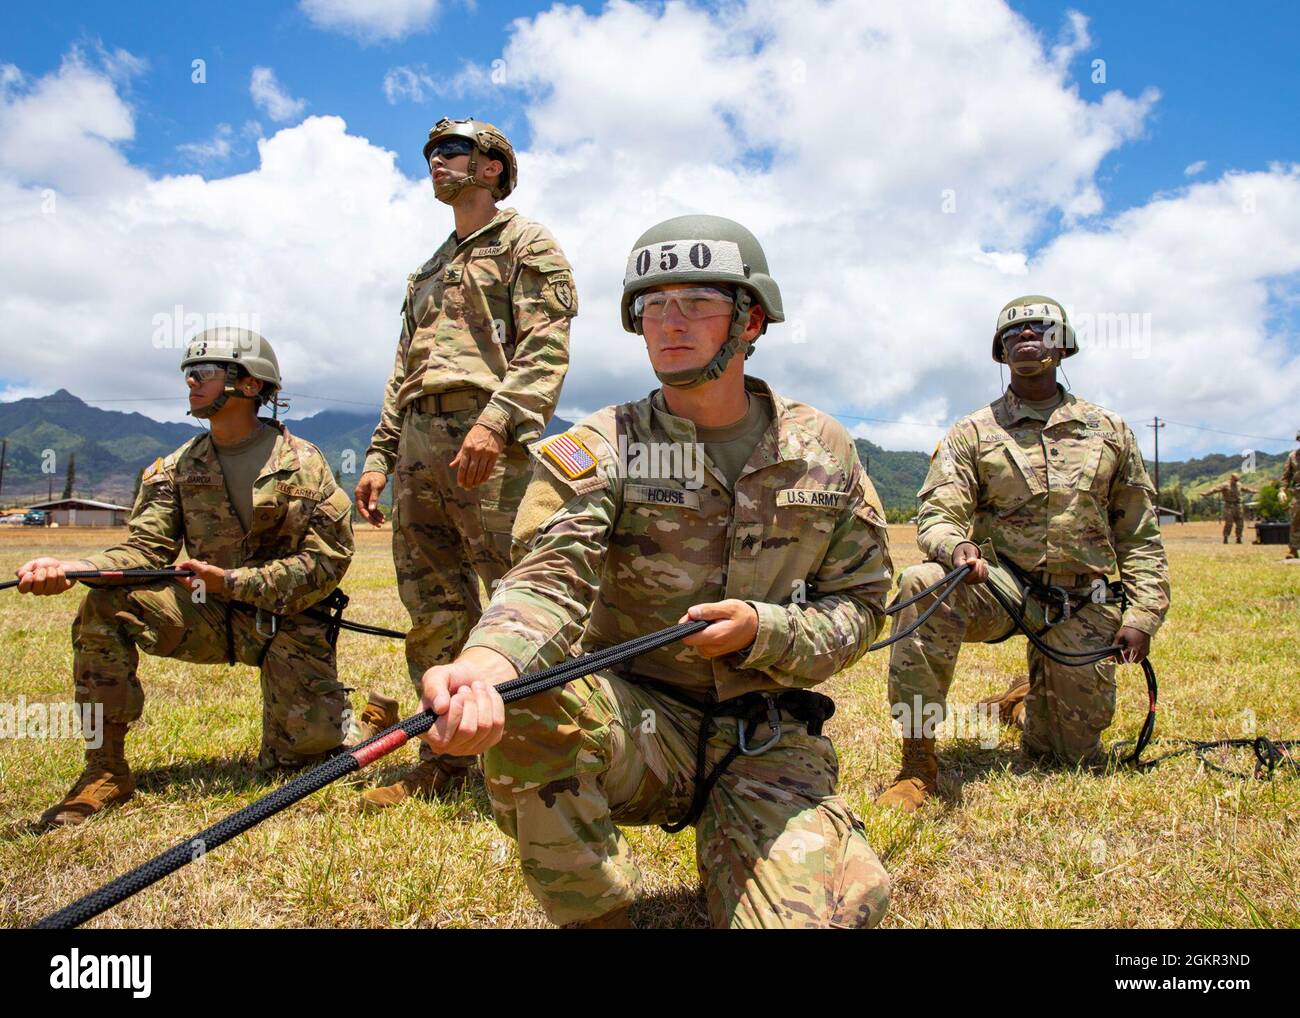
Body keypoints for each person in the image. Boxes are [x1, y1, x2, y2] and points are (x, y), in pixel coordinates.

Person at [406, 215, 894, 928]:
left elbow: (862, 604)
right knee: (535, 700)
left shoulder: (822, 446)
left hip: (767, 736)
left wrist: (767, 630)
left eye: (696, 301)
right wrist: (485, 663)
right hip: (638, 723)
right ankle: (600, 919)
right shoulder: (604, 442)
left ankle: (780, 846)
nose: (670, 322)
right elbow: (550, 571)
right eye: (652, 305)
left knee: (829, 916)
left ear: (750, 318)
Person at [14, 329, 354, 826]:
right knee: (106, 606)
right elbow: (143, 549)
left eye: (206, 372)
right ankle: (104, 769)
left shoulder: (305, 465)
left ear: (251, 385)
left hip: (289, 623)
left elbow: (327, 563)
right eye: (188, 373)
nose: (191, 381)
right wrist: (79, 569)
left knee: (298, 767)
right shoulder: (174, 468)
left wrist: (232, 581)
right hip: (210, 615)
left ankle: (362, 720)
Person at [351, 117, 577, 809]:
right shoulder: (426, 270)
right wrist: (379, 455)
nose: (436, 162)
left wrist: (497, 421)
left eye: (451, 151)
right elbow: (401, 371)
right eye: (430, 154)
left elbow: (545, 344)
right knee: (434, 608)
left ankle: (546, 756)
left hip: (488, 438)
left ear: (492, 168)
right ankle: (444, 759)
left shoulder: (526, 244)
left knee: (518, 599)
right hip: (419, 439)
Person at [878, 295, 1171, 812]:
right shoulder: (973, 432)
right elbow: (937, 514)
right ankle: (918, 763)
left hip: (1084, 598)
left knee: (1067, 757)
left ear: (1063, 345)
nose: (1026, 337)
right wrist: (956, 547)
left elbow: (1140, 533)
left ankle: (1021, 702)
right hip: (1002, 586)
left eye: (1040, 329)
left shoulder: (1110, 430)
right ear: (1000, 352)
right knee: (922, 583)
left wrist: (1143, 614)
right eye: (1013, 333)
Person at [1206, 474, 1256, 544]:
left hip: (1238, 506)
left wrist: (1254, 491)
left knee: (1240, 523)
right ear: (1232, 478)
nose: (1236, 482)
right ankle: (1226, 538)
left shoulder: (1239, 484)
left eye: (1237, 480)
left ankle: (1239, 538)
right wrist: (1206, 493)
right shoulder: (1225, 485)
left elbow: (1246, 489)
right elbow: (1215, 489)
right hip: (1229, 506)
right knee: (1229, 523)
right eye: (1235, 480)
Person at [1281, 431, 1300, 560]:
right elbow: (1286, 476)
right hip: (1298, 493)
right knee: (1295, 521)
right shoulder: (1293, 456)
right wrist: (1282, 489)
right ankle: (1293, 549)